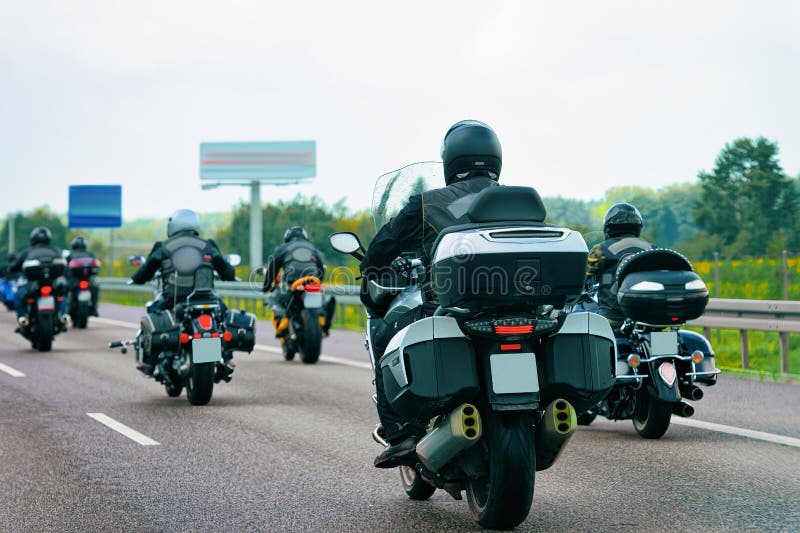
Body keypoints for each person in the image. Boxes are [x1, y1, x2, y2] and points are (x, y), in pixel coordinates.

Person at [360, 119, 502, 468]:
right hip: (519, 307)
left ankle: (402, 431)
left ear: (451, 161)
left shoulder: (427, 204)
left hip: (448, 308)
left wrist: (372, 268)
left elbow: (381, 249)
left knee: (381, 331)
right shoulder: (522, 199)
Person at [131, 209, 237, 374]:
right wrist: (229, 275)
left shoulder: (163, 247)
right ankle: (227, 357)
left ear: (172, 226)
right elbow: (227, 271)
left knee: (153, 313)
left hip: (172, 300)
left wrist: (136, 279)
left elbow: (146, 270)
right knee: (222, 317)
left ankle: (149, 362)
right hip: (205, 299)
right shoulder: (208, 245)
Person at [586, 203, 654, 328]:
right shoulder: (651, 248)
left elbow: (582, 276)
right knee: (663, 345)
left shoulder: (601, 250)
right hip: (647, 317)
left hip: (611, 318)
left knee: (589, 336)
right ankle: (666, 347)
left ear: (608, 226)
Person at [262, 226, 331, 338]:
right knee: (323, 300)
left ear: (288, 237)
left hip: (292, 283)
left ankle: (282, 324)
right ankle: (323, 322)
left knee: (275, 298)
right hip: (312, 282)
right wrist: (317, 283)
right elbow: (321, 270)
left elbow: (272, 269)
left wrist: (266, 286)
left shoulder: (283, 248)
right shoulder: (313, 249)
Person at [11, 227, 68, 330]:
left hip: (32, 285)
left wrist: (11, 269)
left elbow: (16, 266)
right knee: (62, 294)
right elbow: (65, 264)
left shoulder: (27, 251)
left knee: (18, 296)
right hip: (51, 284)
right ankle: (63, 315)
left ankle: (22, 318)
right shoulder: (55, 250)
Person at [66, 236, 100, 317]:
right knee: (95, 289)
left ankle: (66, 311)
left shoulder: (70, 255)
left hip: (74, 281)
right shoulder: (90, 254)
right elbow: (97, 265)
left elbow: (65, 268)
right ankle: (94, 308)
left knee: (66, 291)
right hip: (88, 280)